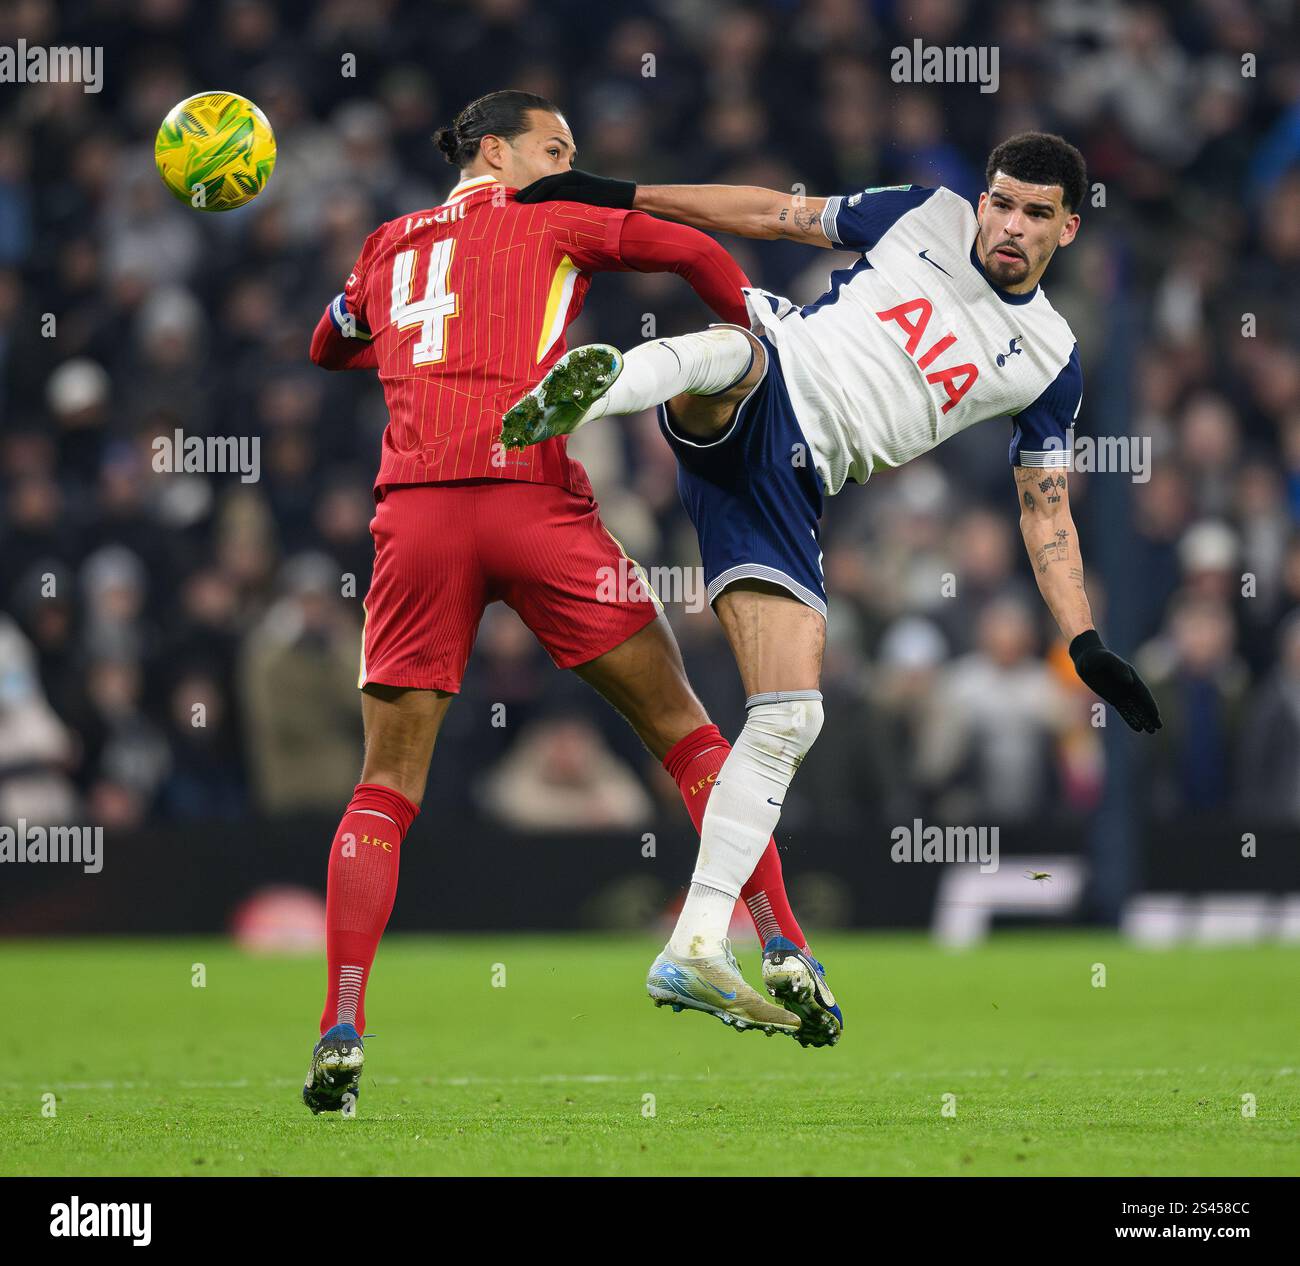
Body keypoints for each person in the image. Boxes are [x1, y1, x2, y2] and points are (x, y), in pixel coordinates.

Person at [502, 132, 1163, 992]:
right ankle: (598, 390)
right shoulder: (927, 213)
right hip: (777, 372)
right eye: (1001, 200)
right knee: (738, 353)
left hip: (790, 484)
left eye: (1034, 213)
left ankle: (696, 944)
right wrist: (624, 194)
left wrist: (1084, 643)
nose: (1006, 224)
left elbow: (1047, 512)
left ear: (1067, 229)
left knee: (790, 718)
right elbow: (774, 213)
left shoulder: (1051, 364)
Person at [302, 90, 842, 1117]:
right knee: (684, 732)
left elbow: (326, 346)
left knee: (384, 787)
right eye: (554, 147)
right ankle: (783, 944)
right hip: (533, 500)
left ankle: (341, 1025)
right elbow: (690, 251)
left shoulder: (385, 245)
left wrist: (414, 354)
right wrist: (748, 335)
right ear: (496, 152)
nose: (567, 163)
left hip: (415, 519)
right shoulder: (551, 215)